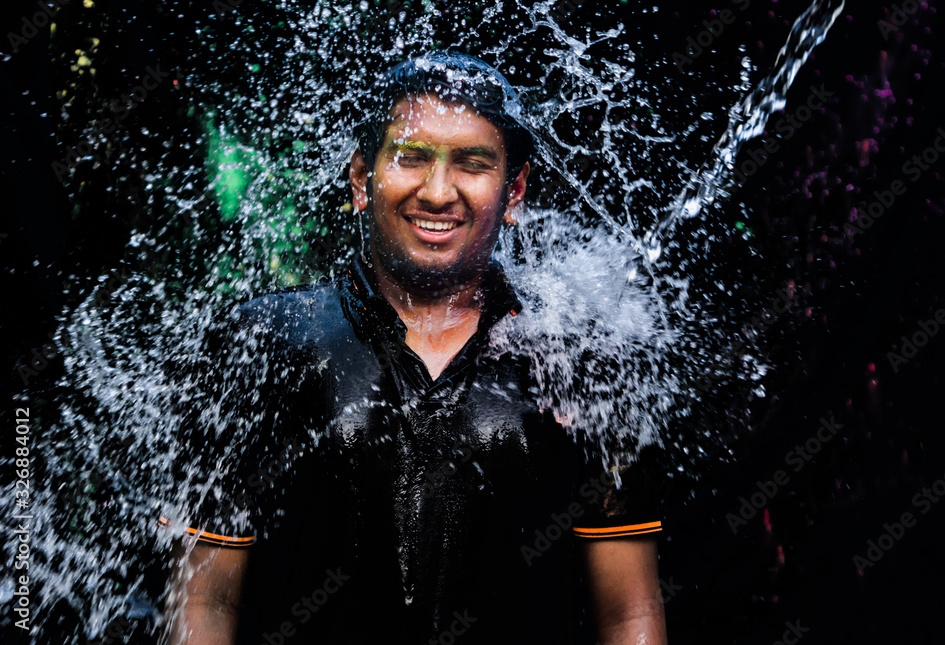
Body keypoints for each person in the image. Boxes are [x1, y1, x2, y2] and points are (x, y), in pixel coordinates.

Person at [163, 51, 668, 645]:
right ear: (361, 178)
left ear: (514, 192)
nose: (437, 191)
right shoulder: (264, 340)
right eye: (410, 157)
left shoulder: (580, 360)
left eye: (472, 164)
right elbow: (206, 599)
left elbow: (628, 614)